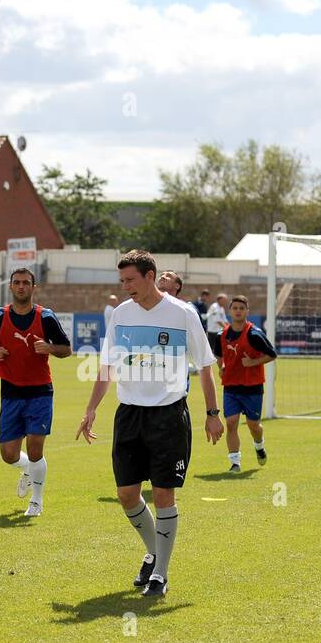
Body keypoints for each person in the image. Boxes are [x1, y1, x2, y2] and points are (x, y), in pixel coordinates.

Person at [77, 250, 223, 597]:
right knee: (127, 495)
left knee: (162, 494)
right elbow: (108, 366)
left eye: (130, 280)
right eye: (122, 280)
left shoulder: (182, 313)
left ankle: (160, 573)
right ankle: (155, 549)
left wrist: (212, 414)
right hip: (129, 414)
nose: (125, 286)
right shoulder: (121, 315)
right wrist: (91, 409)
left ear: (150, 276)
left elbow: (204, 365)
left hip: (168, 415)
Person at [0, 268, 72, 517]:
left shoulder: (46, 317)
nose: (21, 286)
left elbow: (66, 349)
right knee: (8, 454)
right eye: (17, 283)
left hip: (40, 391)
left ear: (34, 287)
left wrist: (50, 348)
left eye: (26, 283)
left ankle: (36, 500)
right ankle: (27, 470)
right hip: (10, 392)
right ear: (10, 287)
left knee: (35, 447)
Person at [219, 294, 276, 472]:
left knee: (253, 426)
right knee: (231, 422)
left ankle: (259, 445)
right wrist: (220, 366)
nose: (238, 311)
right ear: (230, 311)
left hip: (252, 387)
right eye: (235, 308)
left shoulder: (254, 334)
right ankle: (235, 462)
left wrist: (252, 362)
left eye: (241, 308)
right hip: (231, 386)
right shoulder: (222, 335)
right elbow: (218, 354)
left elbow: (272, 354)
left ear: (246, 311)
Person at [206, 293, 229, 359]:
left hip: (218, 331)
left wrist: (231, 327)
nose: (226, 302)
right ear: (220, 300)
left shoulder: (221, 308)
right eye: (224, 300)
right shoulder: (214, 307)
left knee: (217, 348)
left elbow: (225, 320)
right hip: (212, 331)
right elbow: (218, 321)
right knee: (211, 348)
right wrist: (227, 328)